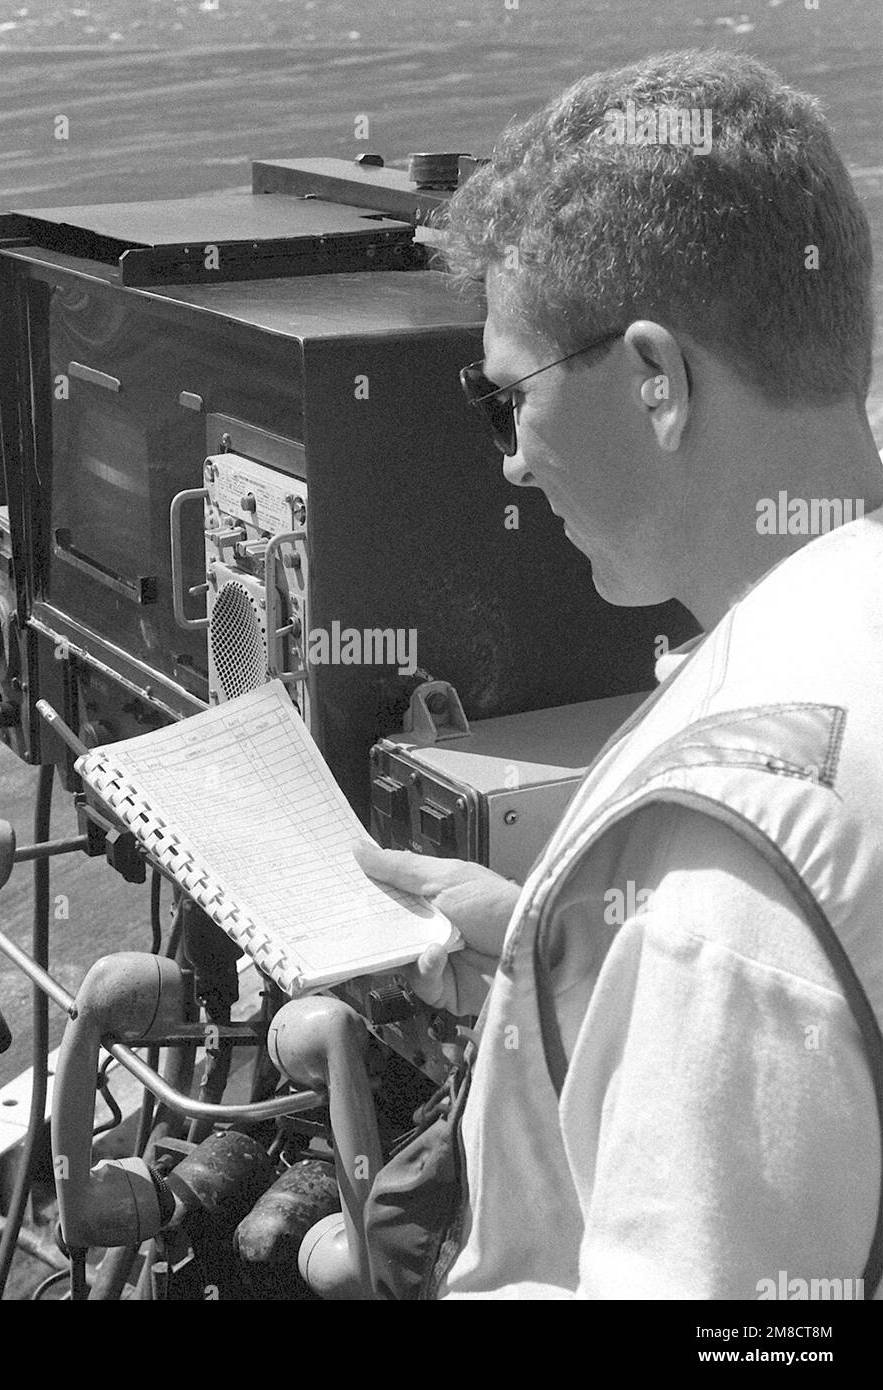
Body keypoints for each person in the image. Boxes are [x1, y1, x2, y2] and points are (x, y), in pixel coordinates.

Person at [355, 49, 883, 1299]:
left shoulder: (716, 873)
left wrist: (658, 942)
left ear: (656, 379)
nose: (509, 468)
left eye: (504, 401)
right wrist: (563, 942)